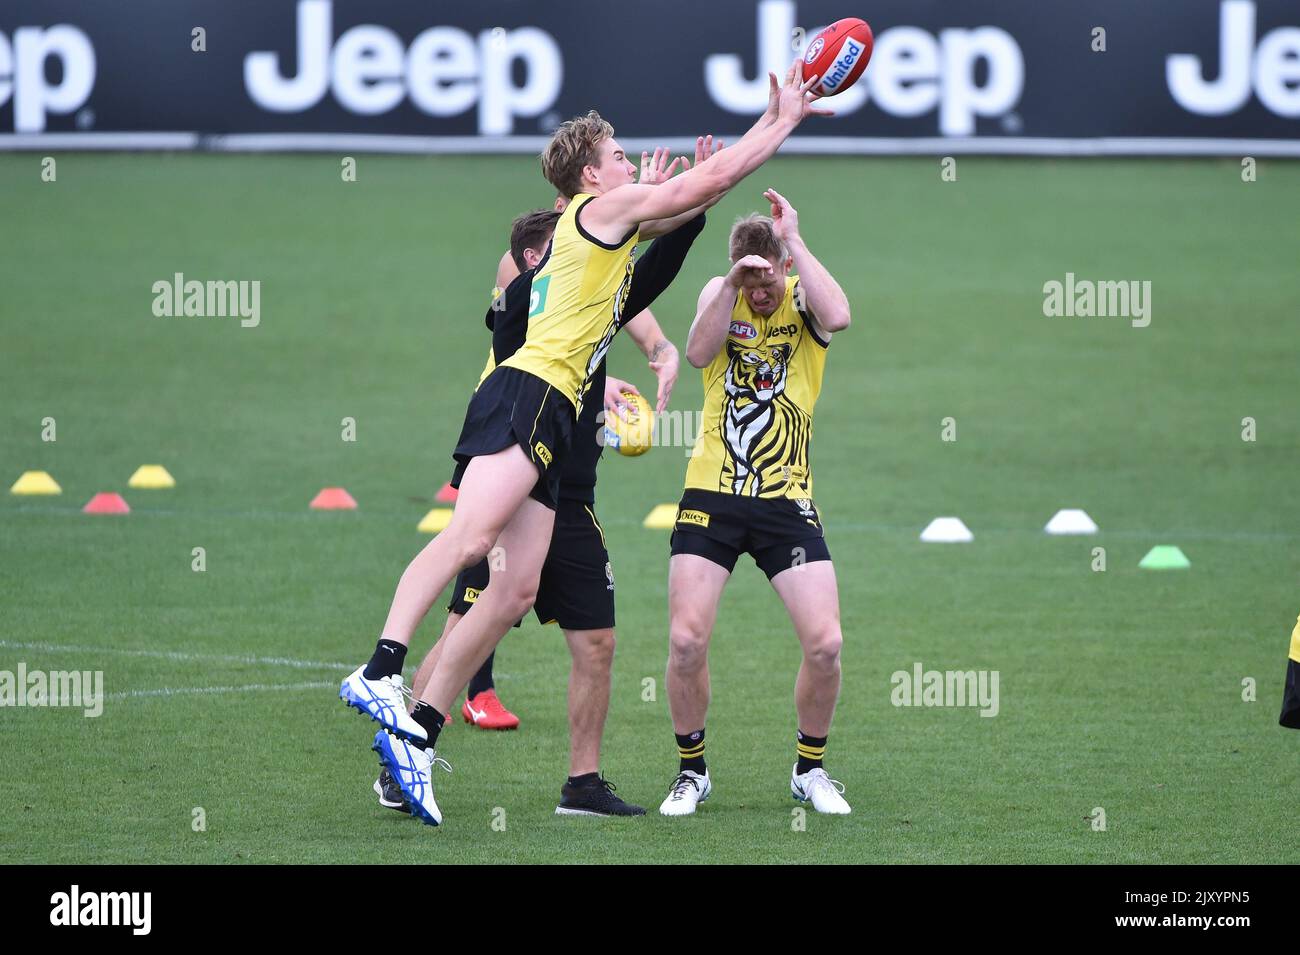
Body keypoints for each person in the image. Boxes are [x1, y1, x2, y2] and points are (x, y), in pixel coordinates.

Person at [342, 60, 831, 826]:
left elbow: (673, 221)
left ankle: (415, 735)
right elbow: (696, 190)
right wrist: (781, 122)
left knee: (513, 589)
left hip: (556, 414)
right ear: (590, 178)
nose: (632, 164)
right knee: (470, 541)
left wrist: (697, 191)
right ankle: (383, 669)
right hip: (531, 398)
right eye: (620, 158)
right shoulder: (590, 215)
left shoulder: (597, 235)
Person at [375, 144, 717, 818]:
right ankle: (404, 742)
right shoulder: (534, 277)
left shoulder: (598, 273)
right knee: (466, 625)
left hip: (571, 492)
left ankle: (582, 783)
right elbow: (519, 357)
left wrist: (692, 210)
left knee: (596, 639)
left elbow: (638, 285)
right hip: (517, 473)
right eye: (618, 163)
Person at [657, 187, 853, 817]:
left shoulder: (803, 300)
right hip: (710, 495)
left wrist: (792, 243)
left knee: (825, 644)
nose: (760, 291)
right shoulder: (721, 297)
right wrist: (727, 283)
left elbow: (842, 315)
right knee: (686, 642)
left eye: (768, 279)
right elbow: (695, 353)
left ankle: (810, 769)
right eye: (751, 278)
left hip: (785, 499)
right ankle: (692, 772)